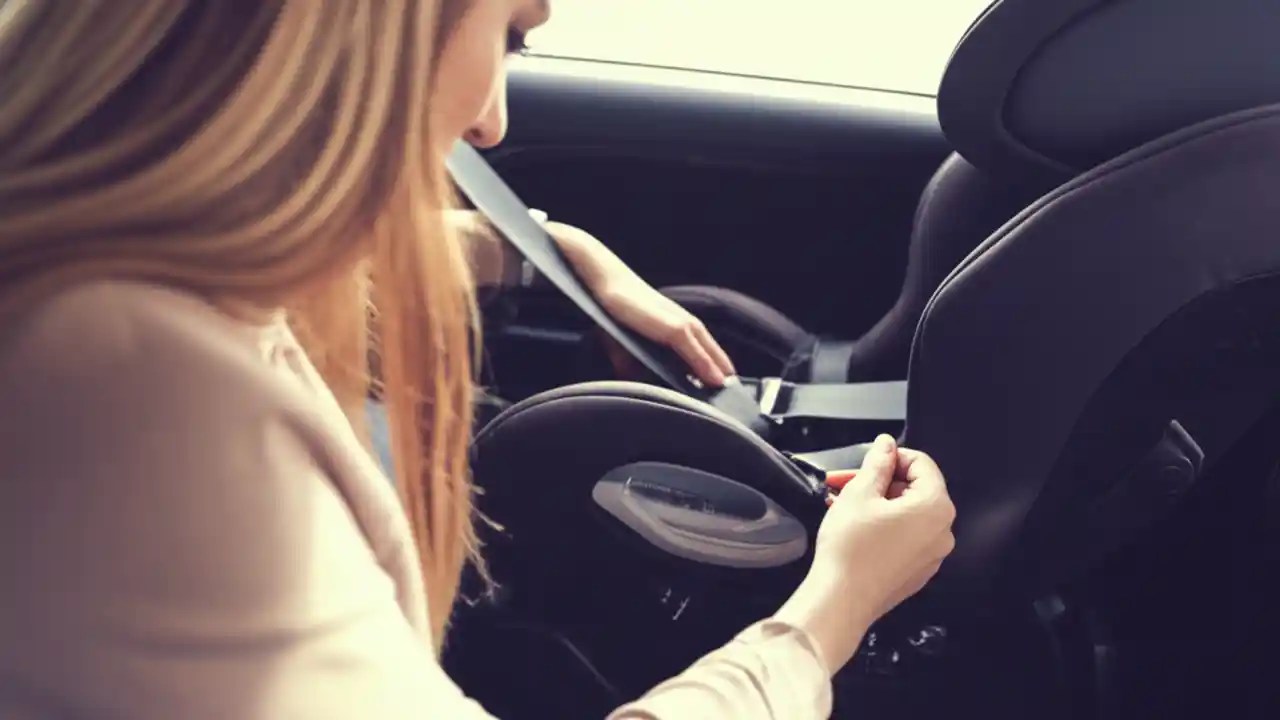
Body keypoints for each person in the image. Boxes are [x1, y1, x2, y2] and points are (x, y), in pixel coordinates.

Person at [0, 2, 956, 718]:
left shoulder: (105, 292)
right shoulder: (141, 402)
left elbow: (327, 261)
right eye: (509, 36)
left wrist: (557, 251)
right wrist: (835, 608)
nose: (492, 122)